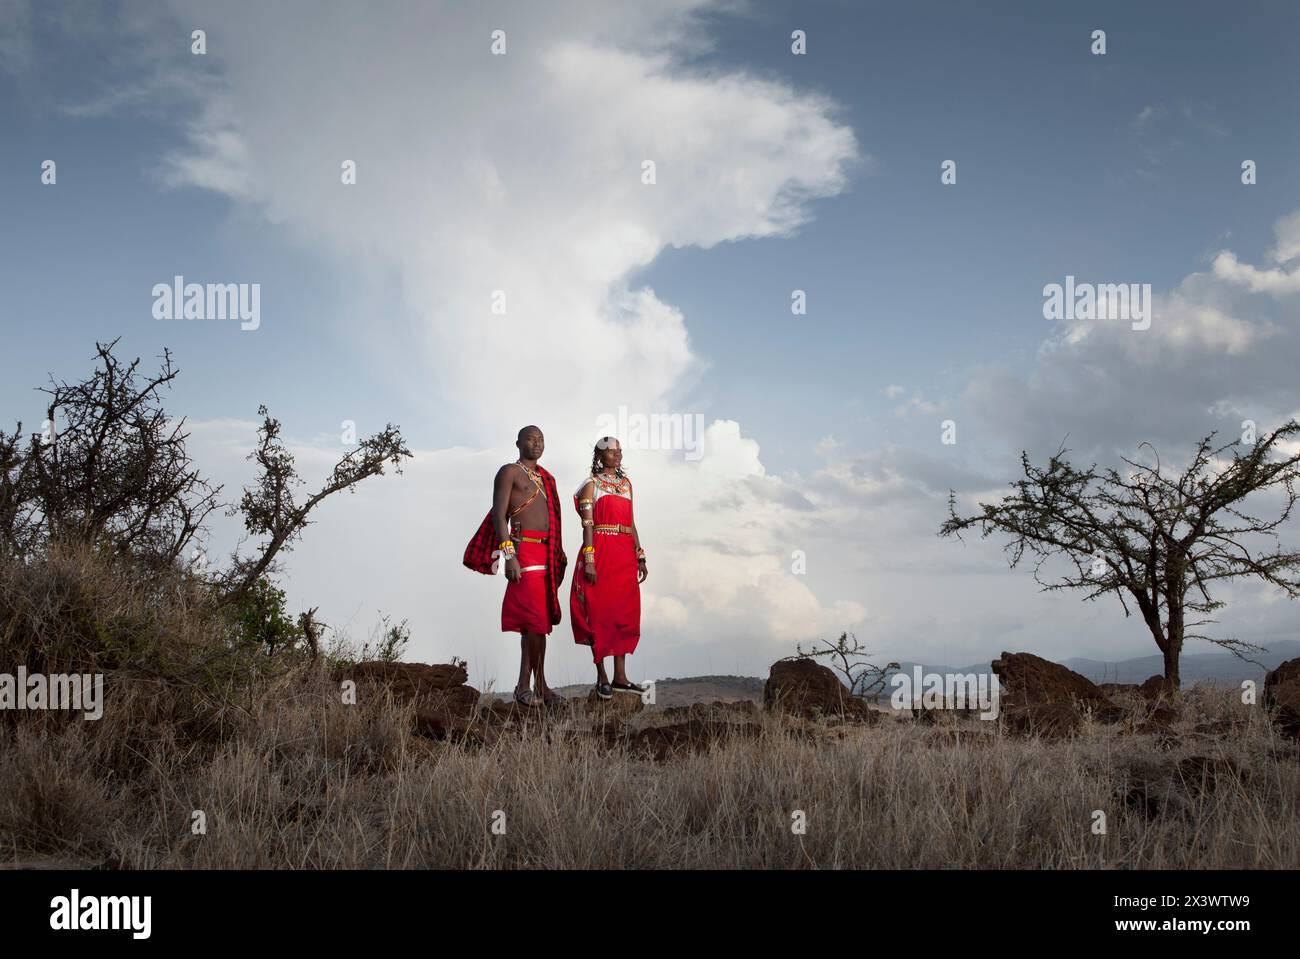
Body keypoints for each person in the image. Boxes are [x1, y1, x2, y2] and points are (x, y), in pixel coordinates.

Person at [463, 425, 566, 707]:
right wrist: (509, 555)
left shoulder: (548, 478)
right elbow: (499, 515)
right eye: (531, 438)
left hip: (547, 553)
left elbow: (555, 518)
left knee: (540, 624)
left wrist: (559, 553)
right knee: (532, 620)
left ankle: (541, 686)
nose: (537, 443)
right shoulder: (508, 472)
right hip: (523, 551)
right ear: (518, 443)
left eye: (541, 439)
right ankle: (523, 686)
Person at [569, 436, 647, 699]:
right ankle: (602, 676)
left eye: (619, 451)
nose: (617, 455)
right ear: (599, 455)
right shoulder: (591, 485)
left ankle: (620, 677)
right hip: (601, 550)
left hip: (624, 552)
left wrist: (640, 554)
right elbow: (588, 525)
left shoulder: (626, 484)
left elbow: (632, 521)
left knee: (624, 613)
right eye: (611, 451)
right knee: (599, 612)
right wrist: (589, 559)